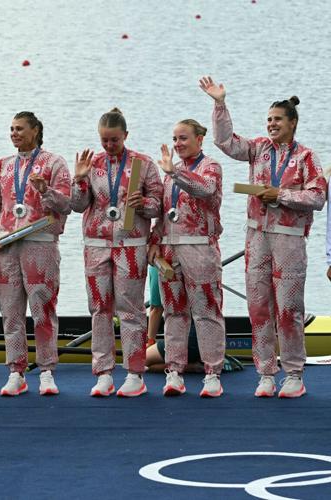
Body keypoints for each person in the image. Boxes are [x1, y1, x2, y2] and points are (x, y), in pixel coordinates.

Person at [200, 76, 326, 398]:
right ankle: (266, 373)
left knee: (288, 309)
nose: (271, 124)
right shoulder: (257, 149)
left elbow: (318, 197)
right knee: (258, 307)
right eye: (268, 119)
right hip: (256, 238)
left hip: (289, 239)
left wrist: (281, 194)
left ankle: (294, 374)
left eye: (277, 120)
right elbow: (225, 142)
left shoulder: (307, 157)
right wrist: (219, 104)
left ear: (292, 123)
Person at [71, 108, 163, 397]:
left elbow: (158, 206)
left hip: (131, 245)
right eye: (104, 140)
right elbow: (77, 205)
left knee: (131, 310)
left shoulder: (143, 164)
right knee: (99, 310)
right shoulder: (92, 163)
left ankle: (135, 373)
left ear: (126, 135)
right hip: (96, 246)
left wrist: (143, 202)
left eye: (114, 140)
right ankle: (104, 373)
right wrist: (79, 180)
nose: (109, 145)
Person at [0, 111, 72, 397]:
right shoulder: (3, 165)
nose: (14, 133)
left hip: (40, 243)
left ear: (35, 131)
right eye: (11, 129)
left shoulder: (54, 163)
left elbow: (66, 204)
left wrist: (44, 190)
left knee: (42, 309)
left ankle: (46, 370)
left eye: (20, 129)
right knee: (10, 311)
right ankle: (16, 371)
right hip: (7, 245)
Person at [147, 119, 226, 397]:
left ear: (200, 139)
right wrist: (154, 241)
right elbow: (162, 215)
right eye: (175, 139)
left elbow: (205, 190)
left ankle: (213, 373)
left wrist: (174, 173)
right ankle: (174, 372)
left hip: (200, 248)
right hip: (170, 249)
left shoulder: (210, 166)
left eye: (183, 138)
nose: (178, 144)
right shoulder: (171, 173)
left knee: (206, 311)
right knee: (173, 312)